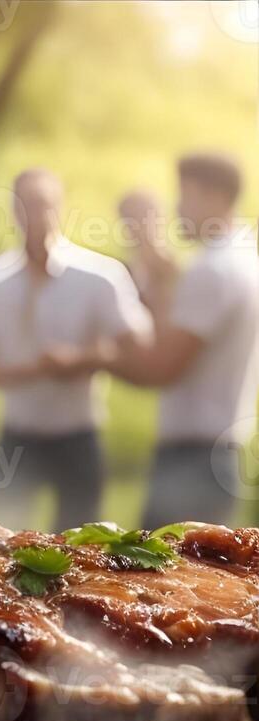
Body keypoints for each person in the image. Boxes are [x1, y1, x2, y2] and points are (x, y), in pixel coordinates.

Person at [0, 168, 152, 531]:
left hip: (78, 435)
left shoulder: (99, 277)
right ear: (14, 210)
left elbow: (137, 351)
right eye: (29, 204)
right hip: (17, 437)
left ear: (60, 207)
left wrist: (81, 360)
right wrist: (29, 371)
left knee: (83, 547)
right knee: (0, 542)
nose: (39, 214)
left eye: (46, 204)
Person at [113, 153, 259, 527]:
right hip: (217, 454)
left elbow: (161, 366)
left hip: (193, 459)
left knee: (160, 578)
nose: (177, 209)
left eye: (184, 196)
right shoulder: (242, 258)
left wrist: (91, 359)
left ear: (214, 197)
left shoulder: (212, 270)